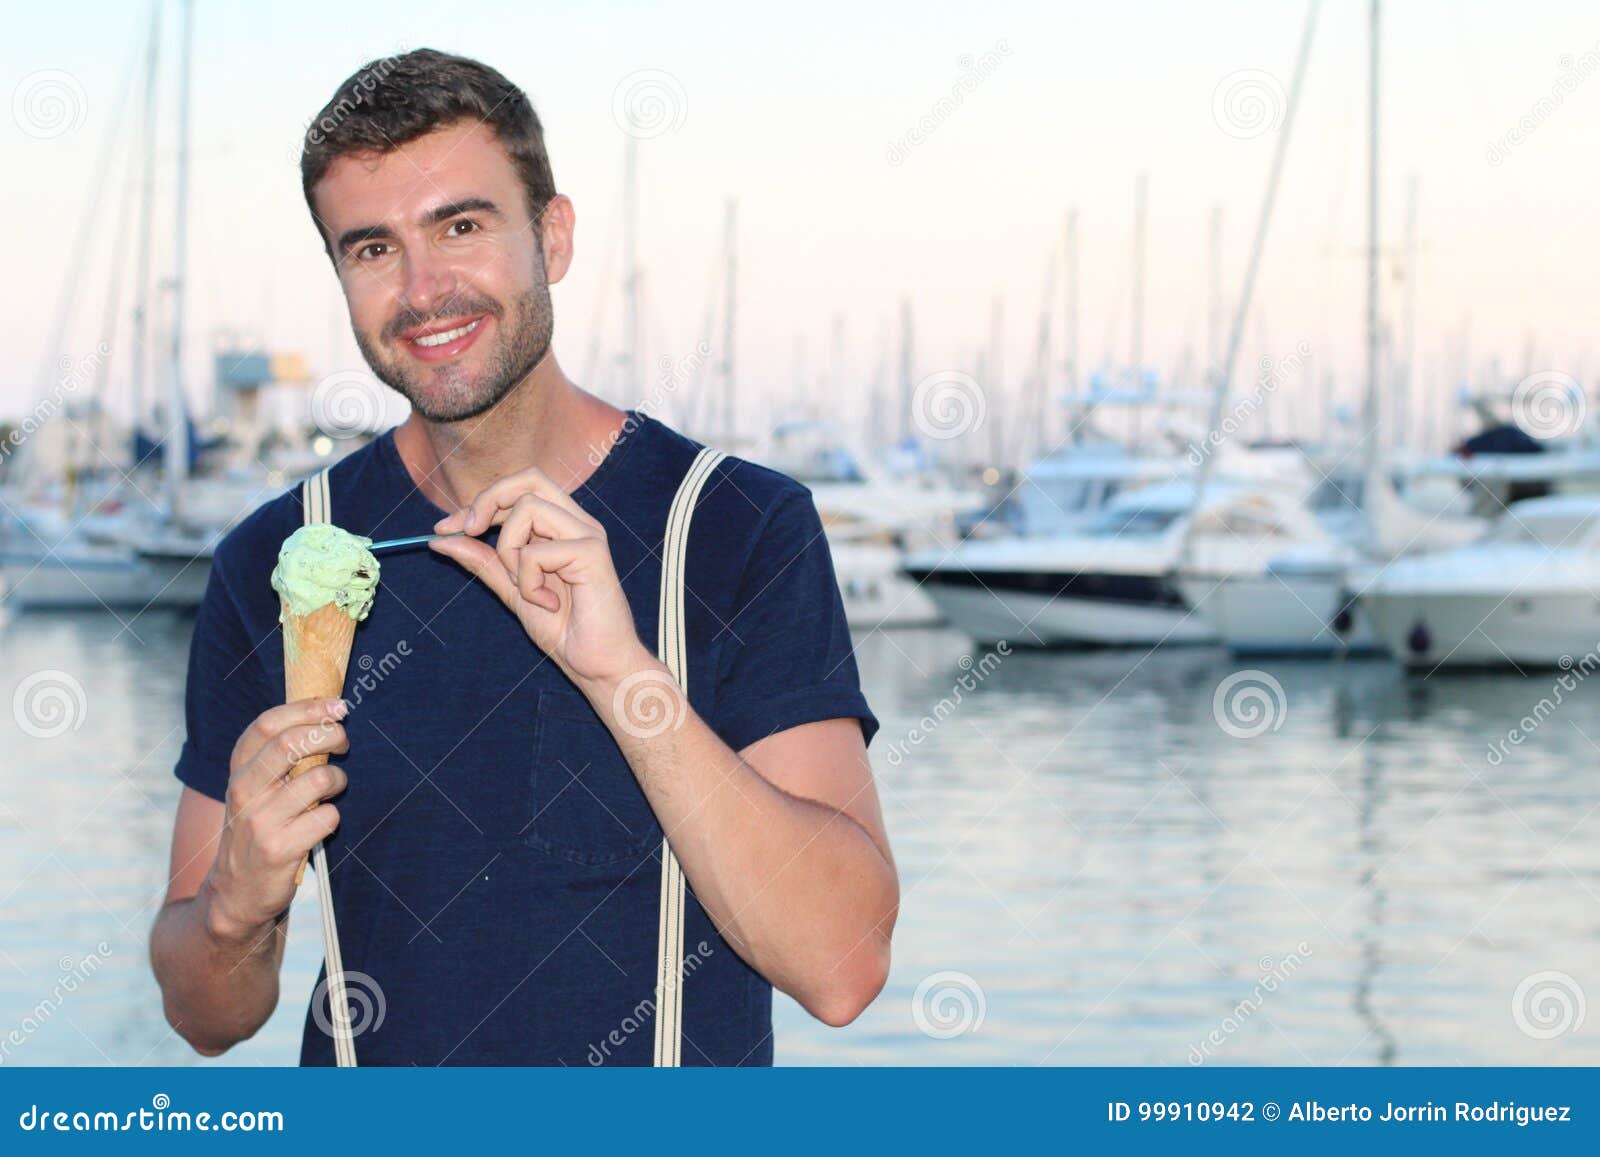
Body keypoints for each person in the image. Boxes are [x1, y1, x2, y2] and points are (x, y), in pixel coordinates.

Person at [149, 48, 897, 1066]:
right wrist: (237, 904)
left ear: (553, 236)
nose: (424, 289)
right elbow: (205, 1013)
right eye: (373, 248)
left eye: (461, 226)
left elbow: (844, 966)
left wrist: (622, 676)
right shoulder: (283, 563)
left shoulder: (734, 525)